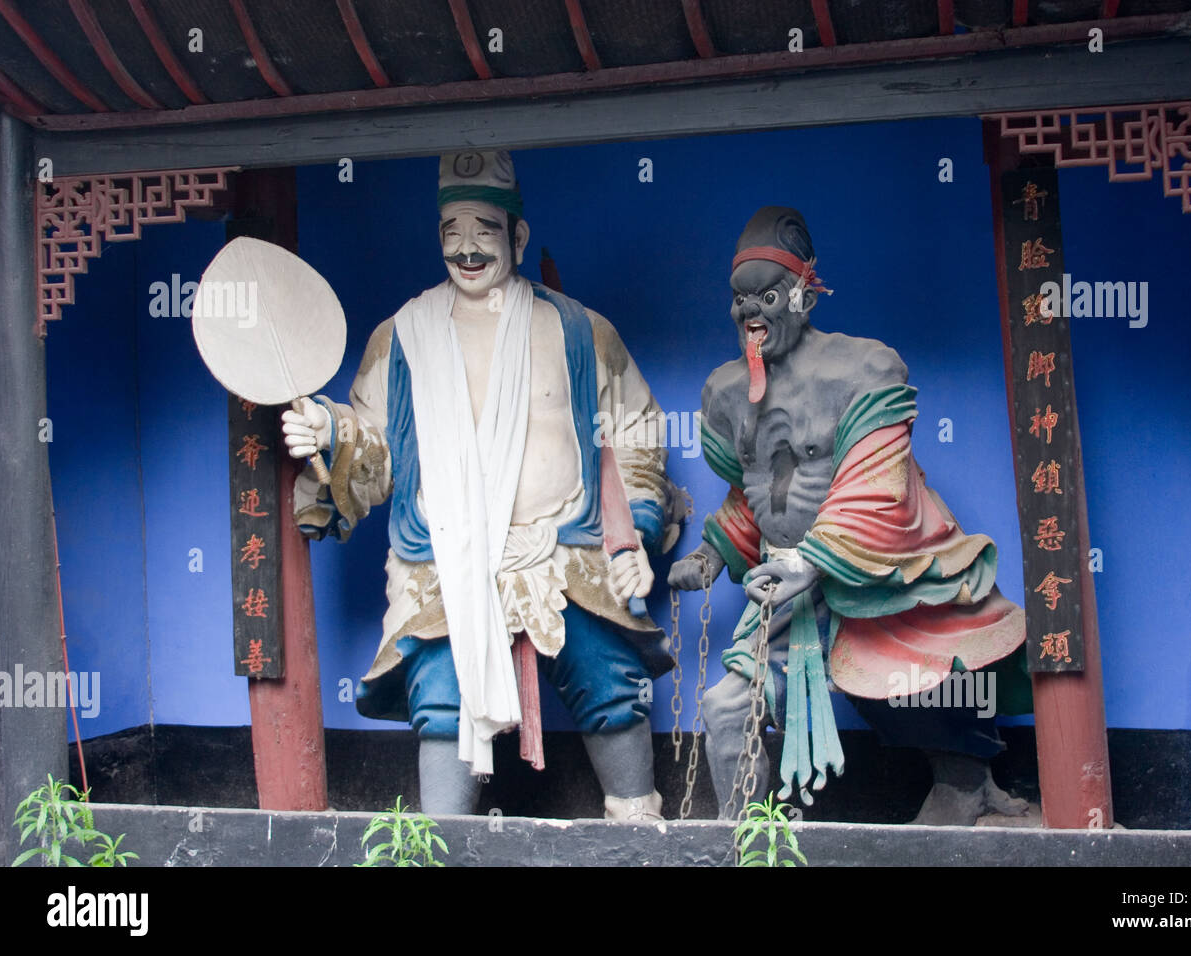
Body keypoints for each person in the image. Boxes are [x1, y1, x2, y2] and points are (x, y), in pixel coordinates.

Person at [283, 150, 676, 821]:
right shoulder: (403, 337)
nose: (466, 248)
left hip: (563, 551)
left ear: (517, 236)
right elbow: (376, 447)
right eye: (451, 230)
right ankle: (441, 845)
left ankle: (638, 827)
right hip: (446, 560)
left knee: (611, 678)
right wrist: (330, 433)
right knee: (439, 694)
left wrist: (632, 534)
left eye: (484, 229)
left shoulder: (580, 329)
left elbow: (633, 433)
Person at [669, 206, 1031, 824]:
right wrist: (713, 554)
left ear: (805, 295)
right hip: (786, 590)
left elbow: (878, 480)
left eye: (768, 294)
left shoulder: (862, 368)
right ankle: (745, 839)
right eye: (739, 298)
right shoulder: (724, 393)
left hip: (870, 573)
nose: (750, 311)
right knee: (727, 707)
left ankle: (966, 789)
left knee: (923, 681)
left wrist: (813, 562)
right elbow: (755, 494)